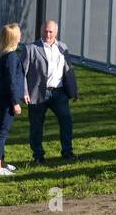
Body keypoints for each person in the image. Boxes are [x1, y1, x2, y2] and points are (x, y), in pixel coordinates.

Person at [21, 20, 80, 163]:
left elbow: (68, 70)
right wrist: (24, 92)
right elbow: (21, 72)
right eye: (45, 31)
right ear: (41, 31)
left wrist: (73, 90)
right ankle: (38, 156)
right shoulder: (31, 48)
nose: (48, 34)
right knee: (36, 125)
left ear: (56, 32)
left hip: (59, 93)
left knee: (66, 121)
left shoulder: (62, 47)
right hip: (37, 93)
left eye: (51, 31)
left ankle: (67, 151)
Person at [0, 23, 25, 177]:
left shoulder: (1, 55)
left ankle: (1, 163)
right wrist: (15, 102)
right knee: (2, 133)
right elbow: (11, 82)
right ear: (14, 37)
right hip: (6, 101)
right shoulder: (11, 57)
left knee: (0, 131)